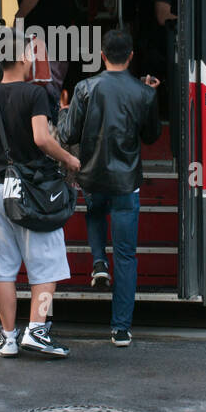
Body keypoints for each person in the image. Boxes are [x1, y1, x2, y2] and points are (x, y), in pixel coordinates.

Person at [56, 29, 161, 347]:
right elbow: (152, 136)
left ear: (102, 56)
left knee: (95, 212)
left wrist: (63, 110)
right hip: (126, 182)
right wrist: (150, 97)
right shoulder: (144, 93)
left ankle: (99, 261)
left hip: (92, 176)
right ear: (131, 56)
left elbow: (69, 133)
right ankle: (120, 329)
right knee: (127, 256)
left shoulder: (85, 87)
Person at [0, 34, 80, 359]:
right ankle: (37, 330)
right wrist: (69, 158)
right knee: (47, 272)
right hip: (32, 192)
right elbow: (41, 138)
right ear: (23, 57)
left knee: (4, 271)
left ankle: (8, 338)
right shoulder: (34, 94)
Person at [14, 0, 74, 104]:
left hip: (39, 36)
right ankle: (55, 125)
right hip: (63, 36)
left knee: (40, 88)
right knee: (57, 85)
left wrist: (18, 18)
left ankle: (44, 125)